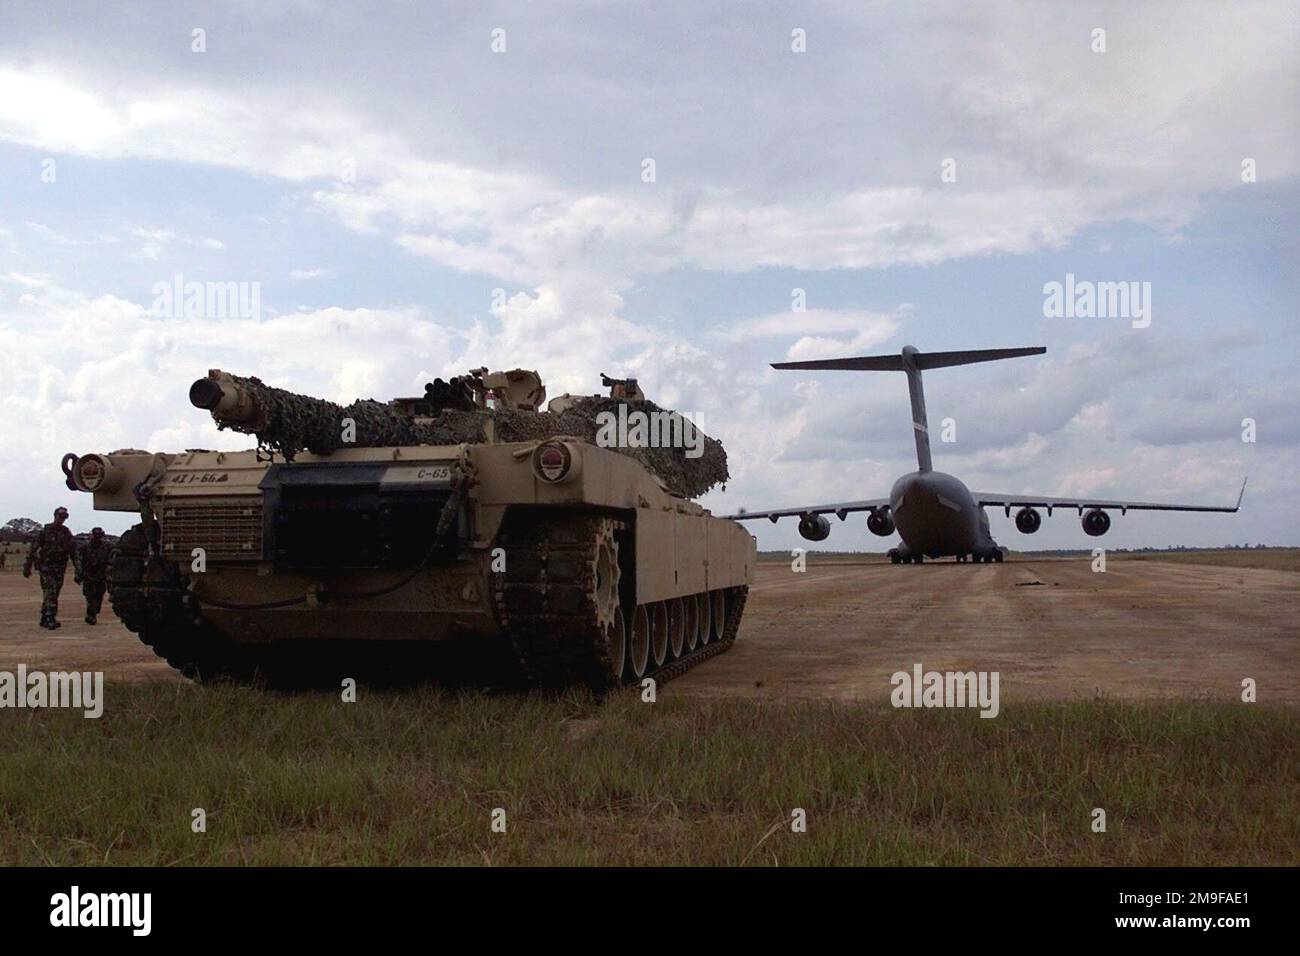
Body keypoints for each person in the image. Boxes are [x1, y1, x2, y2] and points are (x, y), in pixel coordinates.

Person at [22, 506, 82, 629]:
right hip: (46, 567)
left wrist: (78, 569)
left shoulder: (66, 533)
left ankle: (45, 617)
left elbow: (73, 552)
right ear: (55, 515)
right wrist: (27, 567)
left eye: (65, 516)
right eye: (60, 516)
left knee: (53, 593)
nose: (62, 519)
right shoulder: (45, 531)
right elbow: (33, 550)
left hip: (60, 568)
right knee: (51, 591)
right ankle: (50, 617)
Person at [79, 527, 112, 624]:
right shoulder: (85, 547)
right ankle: (91, 615)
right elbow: (79, 560)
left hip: (101, 575)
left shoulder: (107, 546)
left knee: (99, 595)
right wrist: (80, 573)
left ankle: (94, 611)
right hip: (88, 575)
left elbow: (111, 559)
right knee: (90, 596)